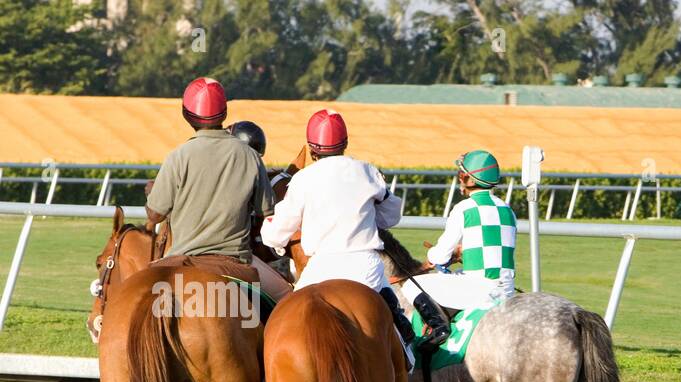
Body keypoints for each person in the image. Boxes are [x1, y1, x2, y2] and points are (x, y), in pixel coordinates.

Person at [260, 108, 445, 363]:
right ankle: (406, 348)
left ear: (313, 151)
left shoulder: (302, 180)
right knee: (398, 328)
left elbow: (277, 232)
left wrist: (272, 237)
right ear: (345, 144)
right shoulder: (367, 171)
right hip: (365, 268)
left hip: (321, 269)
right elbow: (391, 216)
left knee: (287, 318)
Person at [145, 78, 292, 301]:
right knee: (287, 297)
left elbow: (154, 215)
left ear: (187, 116)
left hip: (181, 258)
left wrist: (152, 193)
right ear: (224, 114)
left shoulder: (177, 156)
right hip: (236, 261)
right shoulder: (250, 156)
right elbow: (265, 211)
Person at [402, 149, 517, 323]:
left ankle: (439, 329)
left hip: (480, 289)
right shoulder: (508, 210)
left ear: (469, 179)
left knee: (411, 286)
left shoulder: (464, 208)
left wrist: (435, 255)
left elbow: (439, 256)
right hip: (507, 289)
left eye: (462, 175)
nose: (460, 179)